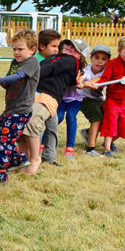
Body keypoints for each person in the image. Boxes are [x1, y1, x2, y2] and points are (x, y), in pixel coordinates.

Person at [20, 30, 80, 173]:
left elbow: (59, 72)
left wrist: (77, 81)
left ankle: (49, 157)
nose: (57, 50)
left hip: (50, 99)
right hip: (40, 97)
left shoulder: (58, 59)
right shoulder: (39, 60)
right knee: (37, 126)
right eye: (54, 46)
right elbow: (51, 70)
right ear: (42, 46)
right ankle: (33, 156)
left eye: (58, 47)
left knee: (51, 129)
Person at [0, 30, 40, 183]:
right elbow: (11, 82)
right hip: (10, 109)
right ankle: (17, 159)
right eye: (14, 48)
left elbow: (19, 76)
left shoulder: (32, 62)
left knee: (4, 141)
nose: (16, 52)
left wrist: (0, 79)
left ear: (32, 49)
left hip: (21, 111)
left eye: (20, 49)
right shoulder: (15, 63)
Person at [54, 40, 86, 160]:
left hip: (75, 99)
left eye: (74, 50)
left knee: (71, 116)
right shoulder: (59, 63)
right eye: (67, 48)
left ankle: (70, 148)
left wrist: (80, 83)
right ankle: (43, 142)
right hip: (61, 98)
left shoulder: (81, 68)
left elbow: (81, 79)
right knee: (58, 116)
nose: (69, 50)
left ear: (81, 55)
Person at [78, 45, 112, 156]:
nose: (99, 61)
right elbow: (82, 78)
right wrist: (83, 82)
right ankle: (90, 148)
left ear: (108, 61)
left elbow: (102, 79)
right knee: (97, 118)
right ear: (91, 58)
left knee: (110, 117)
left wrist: (92, 83)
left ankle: (89, 133)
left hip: (99, 98)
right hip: (85, 98)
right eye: (96, 58)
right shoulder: (86, 69)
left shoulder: (107, 71)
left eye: (104, 59)